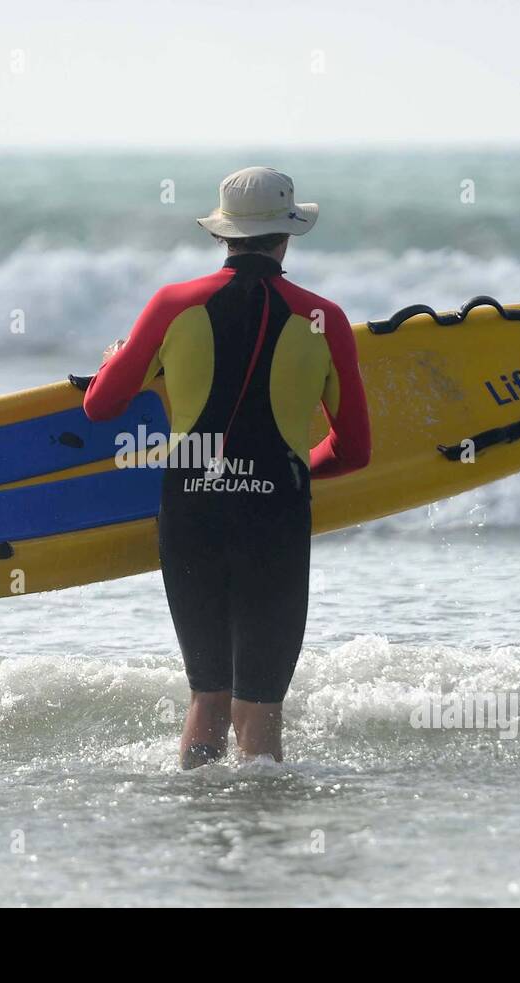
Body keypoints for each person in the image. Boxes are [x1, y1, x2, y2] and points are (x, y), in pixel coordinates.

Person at [83, 167, 371, 768]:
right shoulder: (324, 319)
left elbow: (102, 405)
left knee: (207, 696)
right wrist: (283, 470)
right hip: (274, 515)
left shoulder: (172, 304)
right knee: (259, 708)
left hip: (190, 509)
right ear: (287, 236)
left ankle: (201, 834)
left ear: (224, 235)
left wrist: (117, 361)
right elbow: (354, 450)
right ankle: (260, 842)